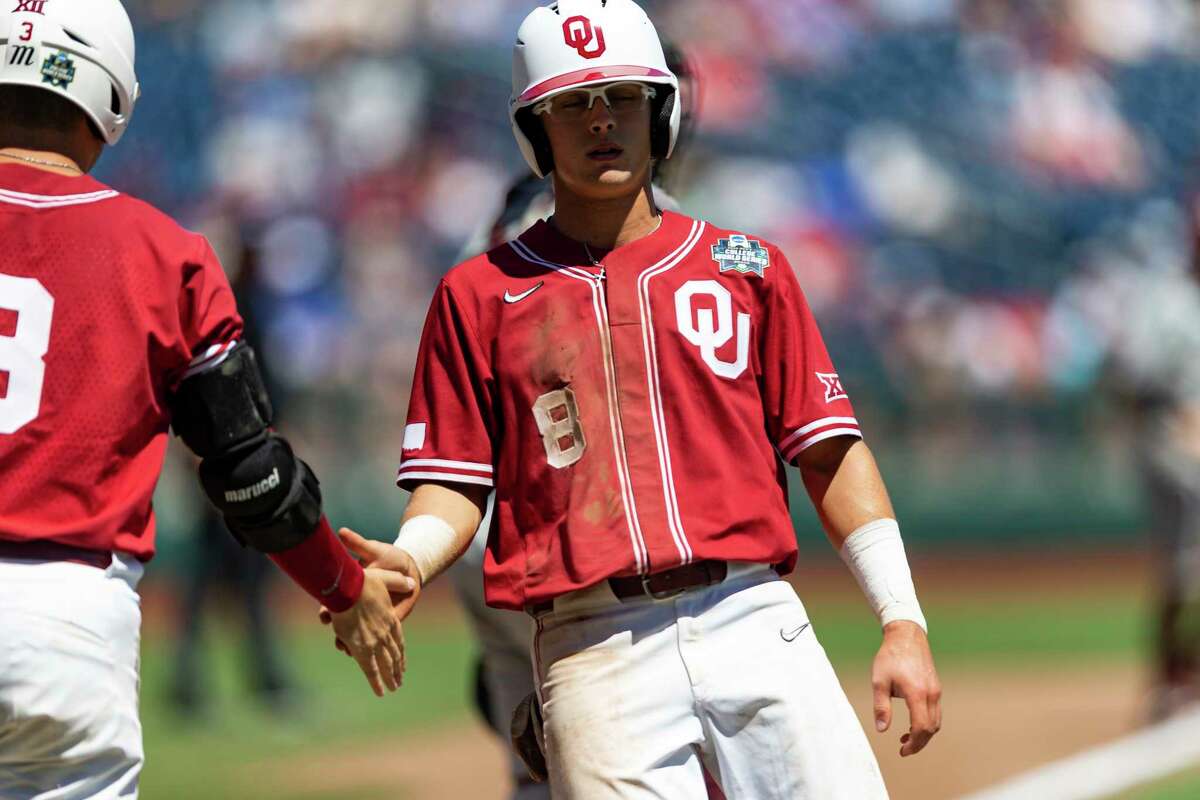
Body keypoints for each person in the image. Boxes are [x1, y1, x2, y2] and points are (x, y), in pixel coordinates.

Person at [342, 0, 942, 796]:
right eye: (573, 104)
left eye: (622, 97)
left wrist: (902, 619)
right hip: (593, 643)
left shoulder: (747, 267)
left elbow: (830, 450)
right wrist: (411, 559)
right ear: (536, 130)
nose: (601, 122)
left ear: (658, 112)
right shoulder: (477, 293)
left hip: (752, 613)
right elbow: (454, 480)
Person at [0, 1, 409, 797]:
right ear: (113, 95)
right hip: (67, 622)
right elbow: (251, 475)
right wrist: (345, 590)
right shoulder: (166, 254)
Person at [445, 40, 700, 800]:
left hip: (480, 523)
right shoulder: (635, 223)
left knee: (538, 749)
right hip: (563, 523)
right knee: (647, 735)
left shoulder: (494, 224)